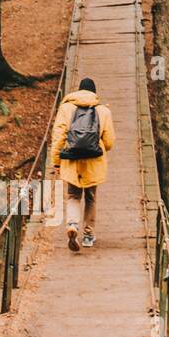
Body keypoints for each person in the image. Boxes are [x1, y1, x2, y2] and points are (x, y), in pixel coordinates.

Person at [49, 77, 115, 252]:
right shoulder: (102, 111)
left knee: (73, 195)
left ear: (77, 91)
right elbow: (109, 142)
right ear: (94, 93)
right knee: (91, 197)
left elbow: (58, 137)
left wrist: (56, 162)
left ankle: (72, 225)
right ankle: (88, 235)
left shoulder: (65, 108)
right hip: (94, 160)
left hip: (72, 159)